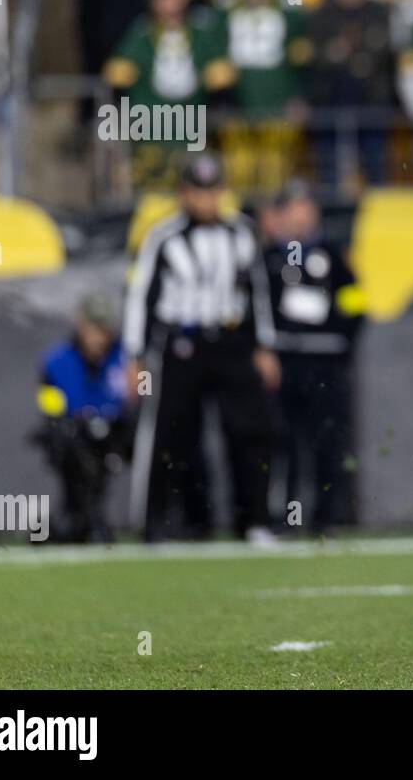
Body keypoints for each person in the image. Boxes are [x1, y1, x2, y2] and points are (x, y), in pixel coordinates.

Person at [124, 155, 281, 544]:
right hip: (182, 345)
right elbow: (142, 296)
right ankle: (162, 524)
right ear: (183, 194)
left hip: (232, 343)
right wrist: (136, 354)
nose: (207, 200)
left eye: (213, 191)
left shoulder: (242, 232)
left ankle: (255, 522)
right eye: (198, 192)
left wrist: (264, 345)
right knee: (172, 435)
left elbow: (257, 291)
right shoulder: (163, 237)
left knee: (251, 432)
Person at [262, 180, 364, 534]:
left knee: (328, 444)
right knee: (284, 444)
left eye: (306, 207)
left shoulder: (332, 255)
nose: (301, 215)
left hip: (326, 363)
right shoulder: (269, 259)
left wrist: (340, 337)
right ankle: (283, 518)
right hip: (285, 362)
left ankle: (327, 519)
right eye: (293, 208)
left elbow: (355, 302)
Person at [34, 292, 131, 543]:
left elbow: (144, 395)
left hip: (117, 432)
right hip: (75, 435)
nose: (101, 336)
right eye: (95, 328)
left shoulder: (127, 360)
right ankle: (83, 517)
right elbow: (51, 409)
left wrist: (139, 389)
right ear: (81, 326)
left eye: (106, 328)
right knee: (69, 440)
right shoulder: (56, 361)